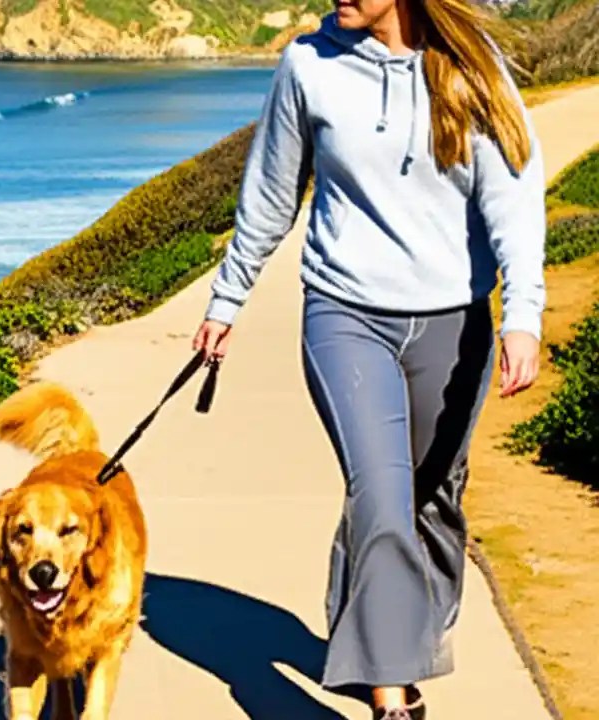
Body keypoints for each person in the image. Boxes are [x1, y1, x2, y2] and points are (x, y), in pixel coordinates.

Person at [191, 0, 546, 717]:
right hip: (344, 314)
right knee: (380, 498)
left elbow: (514, 196)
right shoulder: (307, 65)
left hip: (455, 321)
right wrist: (227, 299)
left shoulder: (473, 65)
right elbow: (268, 196)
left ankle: (387, 624)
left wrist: (523, 318)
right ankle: (393, 697)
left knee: (430, 500)